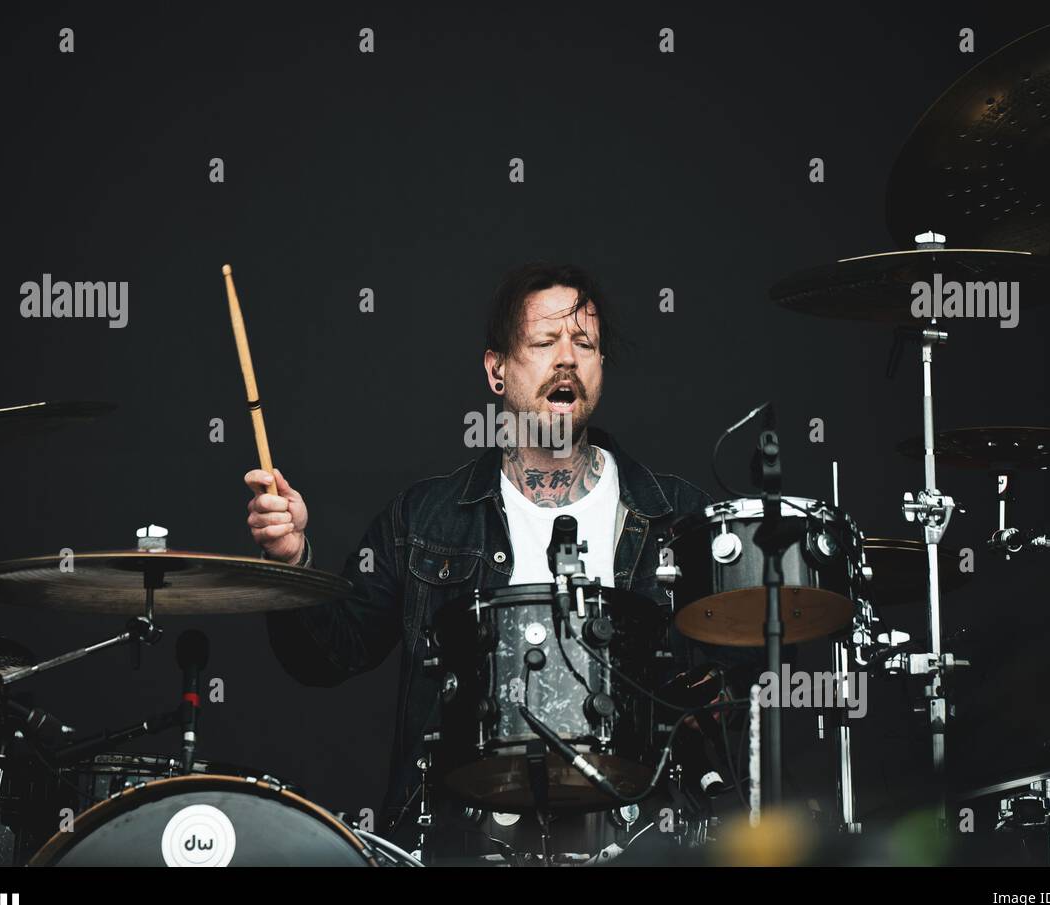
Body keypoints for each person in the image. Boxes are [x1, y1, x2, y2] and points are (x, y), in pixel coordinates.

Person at [245, 262, 740, 849]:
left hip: (640, 839)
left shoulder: (677, 516)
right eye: (543, 341)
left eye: (584, 343)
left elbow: (732, 693)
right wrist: (291, 561)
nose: (567, 359)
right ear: (497, 371)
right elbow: (325, 657)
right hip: (465, 840)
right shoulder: (425, 520)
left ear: (601, 366)